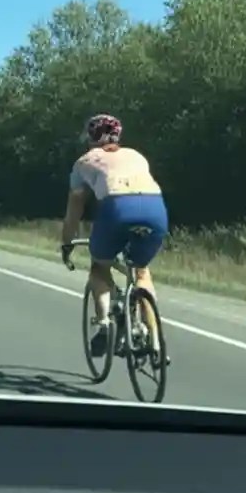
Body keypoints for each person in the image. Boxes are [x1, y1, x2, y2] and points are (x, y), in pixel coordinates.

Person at [60, 114, 169, 358]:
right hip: (155, 208)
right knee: (141, 272)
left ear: (90, 137)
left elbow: (74, 208)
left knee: (99, 267)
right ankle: (155, 341)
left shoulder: (84, 161)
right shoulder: (136, 155)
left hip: (117, 207)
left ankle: (103, 323)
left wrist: (67, 242)